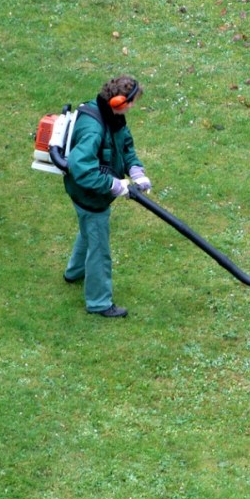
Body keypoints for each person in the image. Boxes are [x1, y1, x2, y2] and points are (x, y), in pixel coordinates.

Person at [62, 75, 152, 318]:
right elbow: (82, 170)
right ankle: (99, 302)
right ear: (118, 101)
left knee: (88, 231)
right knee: (99, 249)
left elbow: (126, 147)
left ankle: (74, 272)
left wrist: (136, 171)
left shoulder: (114, 116)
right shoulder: (93, 129)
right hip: (90, 195)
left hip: (94, 195)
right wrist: (115, 186)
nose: (132, 107)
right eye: (131, 102)